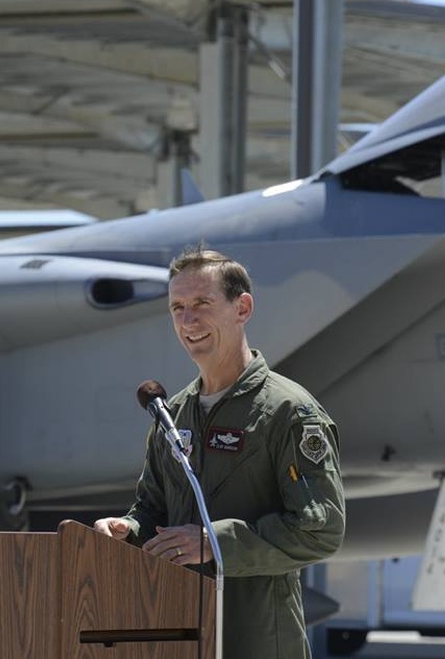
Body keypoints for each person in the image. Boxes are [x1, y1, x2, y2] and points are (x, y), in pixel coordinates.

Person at [94, 246, 345, 658]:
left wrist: (215, 542)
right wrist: (129, 530)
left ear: (242, 308)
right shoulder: (171, 413)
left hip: (258, 638)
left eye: (202, 304)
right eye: (177, 307)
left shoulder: (288, 413)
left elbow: (320, 530)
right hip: (177, 633)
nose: (188, 321)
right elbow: (152, 509)